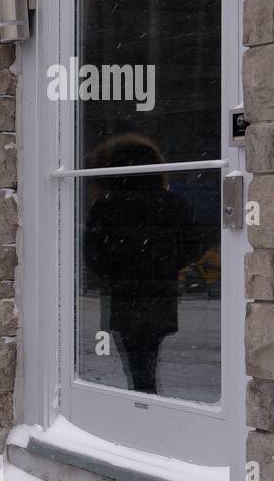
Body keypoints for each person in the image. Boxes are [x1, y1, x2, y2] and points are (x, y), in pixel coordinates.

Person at [82, 134, 204, 394]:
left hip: (124, 296)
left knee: (135, 360)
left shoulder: (106, 206)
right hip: (161, 295)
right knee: (149, 355)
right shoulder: (175, 204)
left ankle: (142, 404)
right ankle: (146, 402)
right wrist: (164, 264)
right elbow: (194, 246)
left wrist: (119, 269)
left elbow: (94, 257)